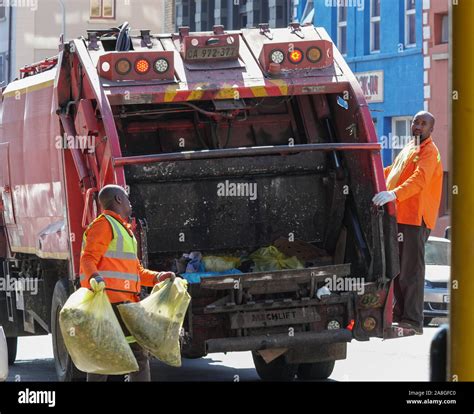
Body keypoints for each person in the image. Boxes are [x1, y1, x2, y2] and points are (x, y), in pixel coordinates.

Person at [79, 184, 175, 381]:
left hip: (126, 303)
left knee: (128, 354)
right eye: (127, 198)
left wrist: (157, 277)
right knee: (114, 355)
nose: (130, 203)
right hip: (110, 302)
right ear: (118, 200)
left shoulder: (124, 230)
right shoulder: (104, 225)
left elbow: (136, 271)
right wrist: (95, 278)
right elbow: (88, 258)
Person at [372, 111, 443, 335]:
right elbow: (391, 172)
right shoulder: (409, 148)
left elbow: (419, 180)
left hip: (415, 219)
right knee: (398, 269)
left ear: (431, 130)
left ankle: (412, 320)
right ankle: (400, 315)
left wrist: (393, 194)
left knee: (411, 271)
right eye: (416, 122)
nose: (418, 126)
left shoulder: (429, 152)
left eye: (424, 124)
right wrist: (373, 180)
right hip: (400, 216)